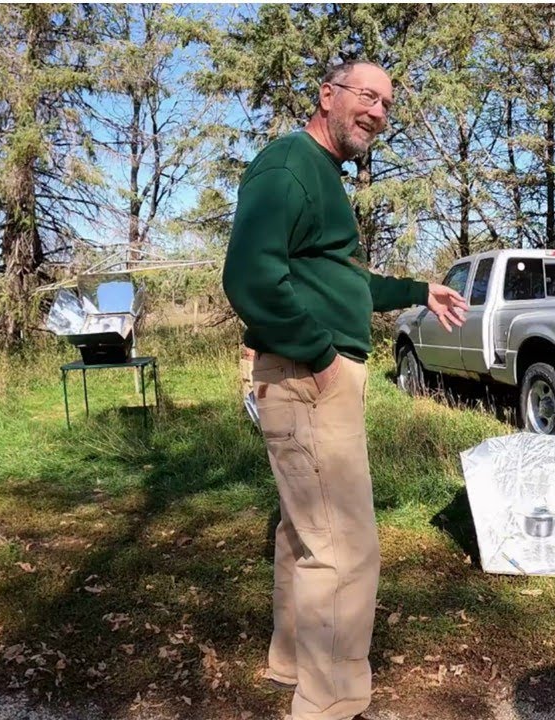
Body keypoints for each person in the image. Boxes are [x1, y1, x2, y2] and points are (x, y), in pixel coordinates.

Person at [222, 60, 468, 720]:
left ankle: (293, 662)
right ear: (327, 94)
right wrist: (321, 356)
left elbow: (338, 280)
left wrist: (416, 290)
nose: (378, 112)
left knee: (306, 533)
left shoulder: (320, 175)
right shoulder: (288, 166)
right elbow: (250, 277)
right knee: (344, 547)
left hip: (309, 373)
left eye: (387, 103)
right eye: (367, 95)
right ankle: (330, 703)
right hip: (308, 377)